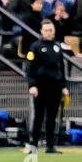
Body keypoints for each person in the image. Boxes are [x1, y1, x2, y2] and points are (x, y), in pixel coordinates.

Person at [25, 19, 71, 154]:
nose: (49, 33)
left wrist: (63, 86)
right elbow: (29, 68)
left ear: (54, 31)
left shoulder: (57, 47)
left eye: (51, 30)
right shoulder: (35, 47)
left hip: (55, 88)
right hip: (40, 88)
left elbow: (61, 68)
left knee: (52, 118)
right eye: (46, 30)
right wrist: (32, 85)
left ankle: (50, 146)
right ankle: (33, 146)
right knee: (38, 117)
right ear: (41, 31)